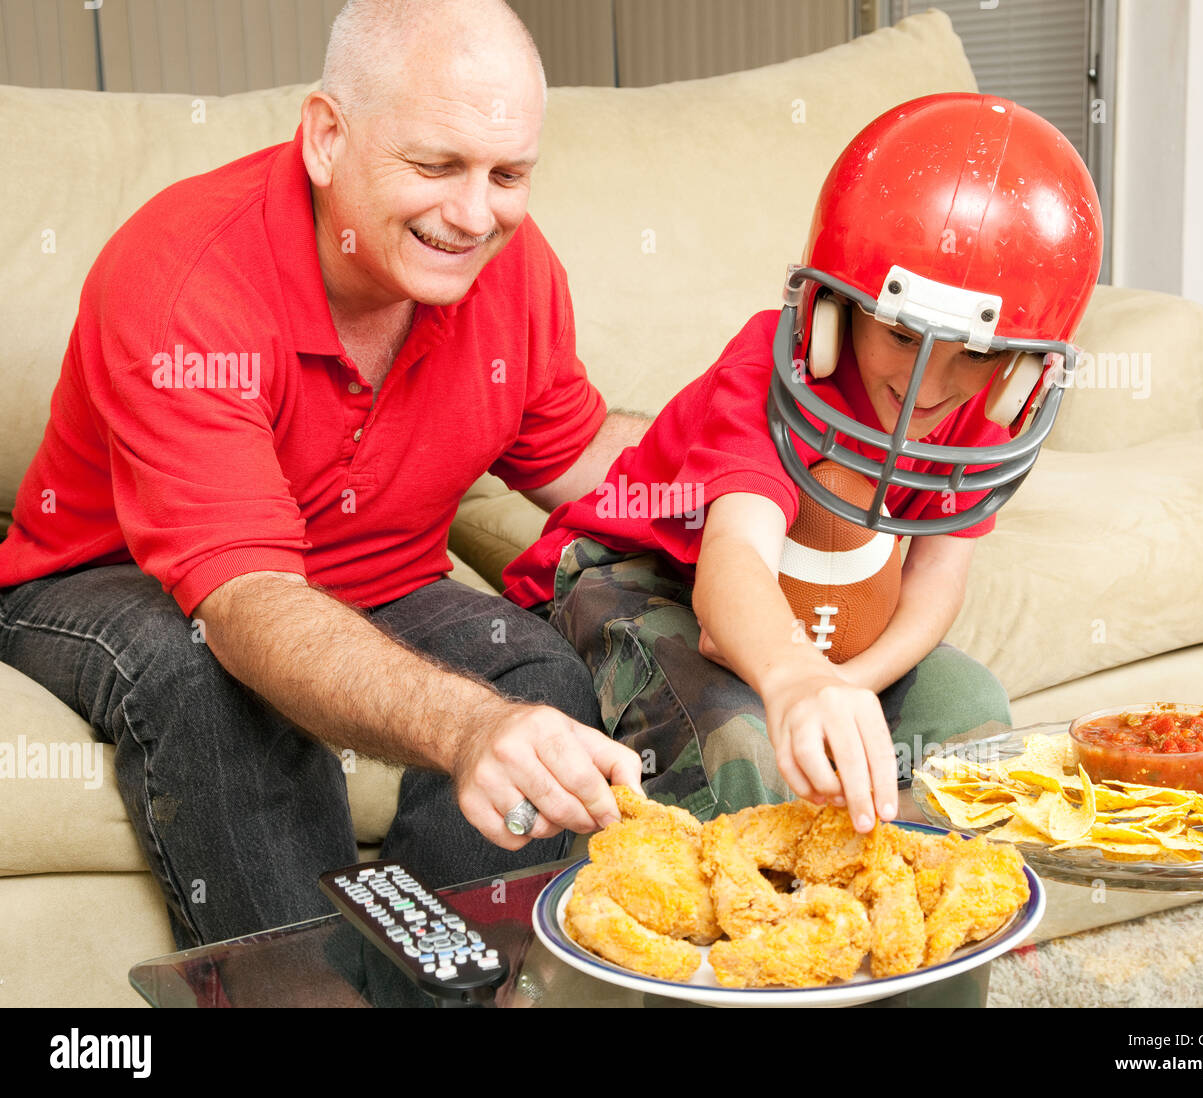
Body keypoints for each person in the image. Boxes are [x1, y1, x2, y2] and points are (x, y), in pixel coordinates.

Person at [0, 0, 647, 951]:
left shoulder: (508, 272)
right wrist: (466, 729)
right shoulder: (184, 277)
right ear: (326, 136)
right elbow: (247, 605)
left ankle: (448, 984)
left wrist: (772, 460)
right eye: (434, 166)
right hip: (117, 587)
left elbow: (592, 461)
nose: (475, 217)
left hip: (361, 587)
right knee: (210, 679)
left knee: (534, 670)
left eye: (507, 174)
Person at [502, 93, 1104, 833]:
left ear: (1019, 369)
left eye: (976, 354)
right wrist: (794, 681)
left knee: (970, 711)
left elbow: (938, 573)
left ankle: (922, 930)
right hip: (641, 569)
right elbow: (732, 567)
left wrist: (847, 687)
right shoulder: (773, 366)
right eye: (903, 337)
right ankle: (743, 943)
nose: (933, 386)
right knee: (739, 742)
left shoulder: (986, 408)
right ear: (832, 309)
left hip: (794, 606)